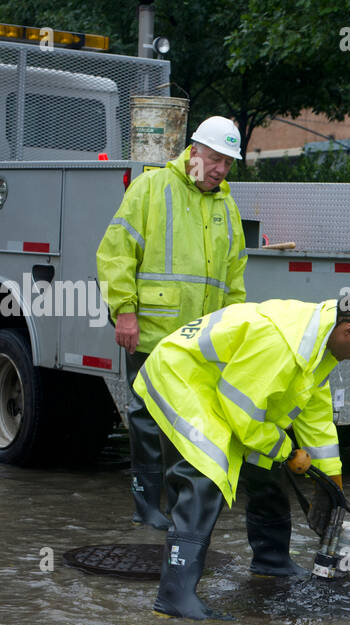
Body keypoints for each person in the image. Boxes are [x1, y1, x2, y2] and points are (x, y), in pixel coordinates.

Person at [133, 292, 350, 619]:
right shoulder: (282, 344)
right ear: (349, 331)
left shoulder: (319, 348)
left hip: (216, 388)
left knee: (265, 466)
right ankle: (174, 599)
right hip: (182, 379)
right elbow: (242, 413)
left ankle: (272, 563)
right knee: (205, 476)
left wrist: (331, 483)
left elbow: (315, 416)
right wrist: (286, 450)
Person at [97, 116, 248, 530]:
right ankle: (146, 507)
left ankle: (182, 505)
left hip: (201, 340)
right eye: (215, 159)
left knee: (192, 421)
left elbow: (233, 278)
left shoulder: (225, 206)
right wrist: (124, 312)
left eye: (228, 163)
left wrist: (234, 330)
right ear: (194, 151)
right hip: (153, 334)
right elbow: (115, 254)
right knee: (147, 420)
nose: (220, 169)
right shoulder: (151, 188)